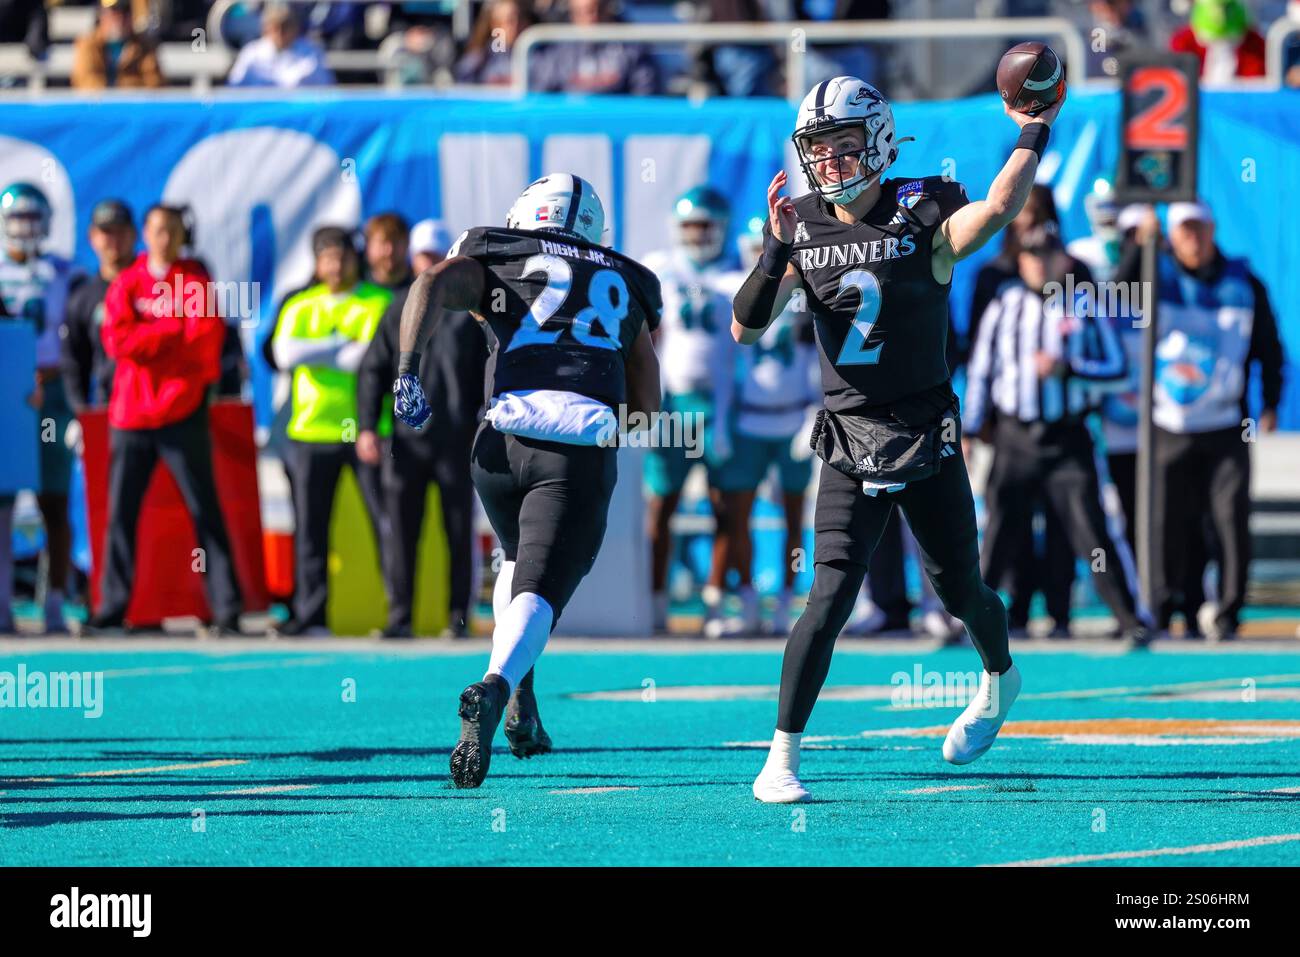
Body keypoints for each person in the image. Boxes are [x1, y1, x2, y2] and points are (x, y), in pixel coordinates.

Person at [733, 76, 1065, 803]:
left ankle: (1000, 677)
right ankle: (781, 757)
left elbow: (1000, 207)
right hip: (848, 434)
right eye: (819, 148)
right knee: (829, 595)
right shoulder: (802, 223)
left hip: (923, 431)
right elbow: (746, 327)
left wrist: (1033, 129)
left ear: (879, 139)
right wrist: (772, 248)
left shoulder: (923, 209)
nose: (830, 161)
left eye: (844, 144)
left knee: (958, 589)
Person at [393, 174, 663, 789]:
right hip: (573, 441)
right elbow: (647, 400)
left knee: (518, 565)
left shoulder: (495, 249)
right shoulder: (628, 276)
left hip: (497, 443)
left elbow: (431, 283)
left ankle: (521, 706)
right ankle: (493, 690)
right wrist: (614, 425)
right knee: (540, 590)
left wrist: (407, 372)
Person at [963, 224, 1148, 643]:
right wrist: (971, 428)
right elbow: (980, 371)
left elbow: (1119, 370)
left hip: (1068, 437)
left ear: (1063, 260)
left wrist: (1070, 370)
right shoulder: (1003, 304)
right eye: (1031, 255)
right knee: (998, 531)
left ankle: (1128, 617)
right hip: (1016, 436)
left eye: (1047, 254)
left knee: (1091, 529)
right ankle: (972, 620)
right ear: (1021, 260)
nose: (1039, 262)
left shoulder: (1084, 303)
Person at [1119, 201, 1284, 641]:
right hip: (1166, 422)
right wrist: (1142, 246)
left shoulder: (1245, 283)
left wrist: (1270, 401)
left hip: (1226, 422)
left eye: (1199, 228)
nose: (1193, 238)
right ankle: (1166, 605)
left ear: (1212, 229)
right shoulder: (1155, 276)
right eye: (1183, 230)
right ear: (1172, 236)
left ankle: (1228, 611)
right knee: (1165, 522)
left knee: (1229, 521)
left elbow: (1269, 346)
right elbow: (1113, 299)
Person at [86, 204, 244, 636]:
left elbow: (204, 340)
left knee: (204, 510)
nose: (164, 238)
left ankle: (227, 609)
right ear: (146, 234)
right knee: (121, 513)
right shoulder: (128, 282)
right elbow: (118, 341)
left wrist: (150, 336)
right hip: (131, 415)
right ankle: (112, 609)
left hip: (182, 411)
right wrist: (169, 330)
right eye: (157, 230)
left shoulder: (194, 279)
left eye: (172, 231)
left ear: (181, 235)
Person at [357, 218, 488, 638]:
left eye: (437, 257)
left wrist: (483, 424)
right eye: (424, 257)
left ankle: (458, 618)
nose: (430, 265)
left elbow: (487, 374)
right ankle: (400, 618)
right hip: (407, 445)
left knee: (456, 530)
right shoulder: (397, 310)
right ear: (414, 260)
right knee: (401, 533)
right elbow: (372, 372)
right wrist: (365, 427)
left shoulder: (471, 316)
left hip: (455, 441)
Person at [271, 227, 392, 636]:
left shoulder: (378, 301)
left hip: (366, 431)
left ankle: (399, 614)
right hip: (310, 431)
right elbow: (286, 354)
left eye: (342, 256)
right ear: (317, 263)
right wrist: (341, 343)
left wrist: (320, 350)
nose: (336, 265)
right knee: (310, 529)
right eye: (327, 257)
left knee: (385, 522)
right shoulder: (300, 304)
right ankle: (311, 616)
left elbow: (368, 358)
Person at [643, 186, 745, 636]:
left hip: (723, 404)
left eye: (706, 225)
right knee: (661, 505)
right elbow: (648, 341)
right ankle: (654, 599)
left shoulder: (737, 275)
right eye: (691, 225)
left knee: (727, 506)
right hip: (673, 402)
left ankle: (715, 601)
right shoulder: (660, 270)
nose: (699, 234)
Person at [716, 215, 821, 635]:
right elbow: (724, 368)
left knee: (795, 517)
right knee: (738, 515)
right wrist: (721, 423)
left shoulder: (802, 294)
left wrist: (814, 412)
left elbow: (816, 361)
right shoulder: (733, 292)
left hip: (792, 416)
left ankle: (784, 603)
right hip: (748, 420)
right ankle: (746, 600)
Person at [0, 183, 76, 635]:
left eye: (33, 220)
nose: (25, 230)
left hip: (51, 391)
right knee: (2, 504)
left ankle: (56, 601)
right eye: (17, 220)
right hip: (8, 395)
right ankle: (3, 603)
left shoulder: (64, 273)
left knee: (54, 499)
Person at [62, 200, 137, 416]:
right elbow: (74, 363)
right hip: (109, 409)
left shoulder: (155, 288)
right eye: (106, 232)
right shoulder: (82, 298)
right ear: (92, 237)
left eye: (121, 231)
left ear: (134, 234)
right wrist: (81, 415)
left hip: (160, 409)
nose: (114, 240)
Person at [528, 0, 659, 95]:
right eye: (584, 12)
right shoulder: (558, 50)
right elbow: (543, 96)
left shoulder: (632, 47)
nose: (593, 18)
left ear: (608, 8)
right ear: (573, 14)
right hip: (570, 128)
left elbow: (644, 94)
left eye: (599, 9)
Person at [226, 3, 335, 88]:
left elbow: (326, 89)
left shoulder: (312, 52)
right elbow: (234, 89)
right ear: (266, 29)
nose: (280, 33)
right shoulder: (251, 53)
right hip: (260, 114)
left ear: (295, 28)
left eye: (285, 26)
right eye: (275, 27)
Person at [71, 0, 164, 90]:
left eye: (125, 12)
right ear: (101, 15)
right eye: (114, 13)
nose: (120, 19)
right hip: (99, 106)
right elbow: (86, 83)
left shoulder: (144, 45)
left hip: (133, 105)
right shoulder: (88, 45)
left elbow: (155, 84)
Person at [454, 0, 533, 86]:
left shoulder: (540, 56)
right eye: (509, 21)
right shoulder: (478, 60)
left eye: (520, 19)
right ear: (495, 25)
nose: (516, 26)